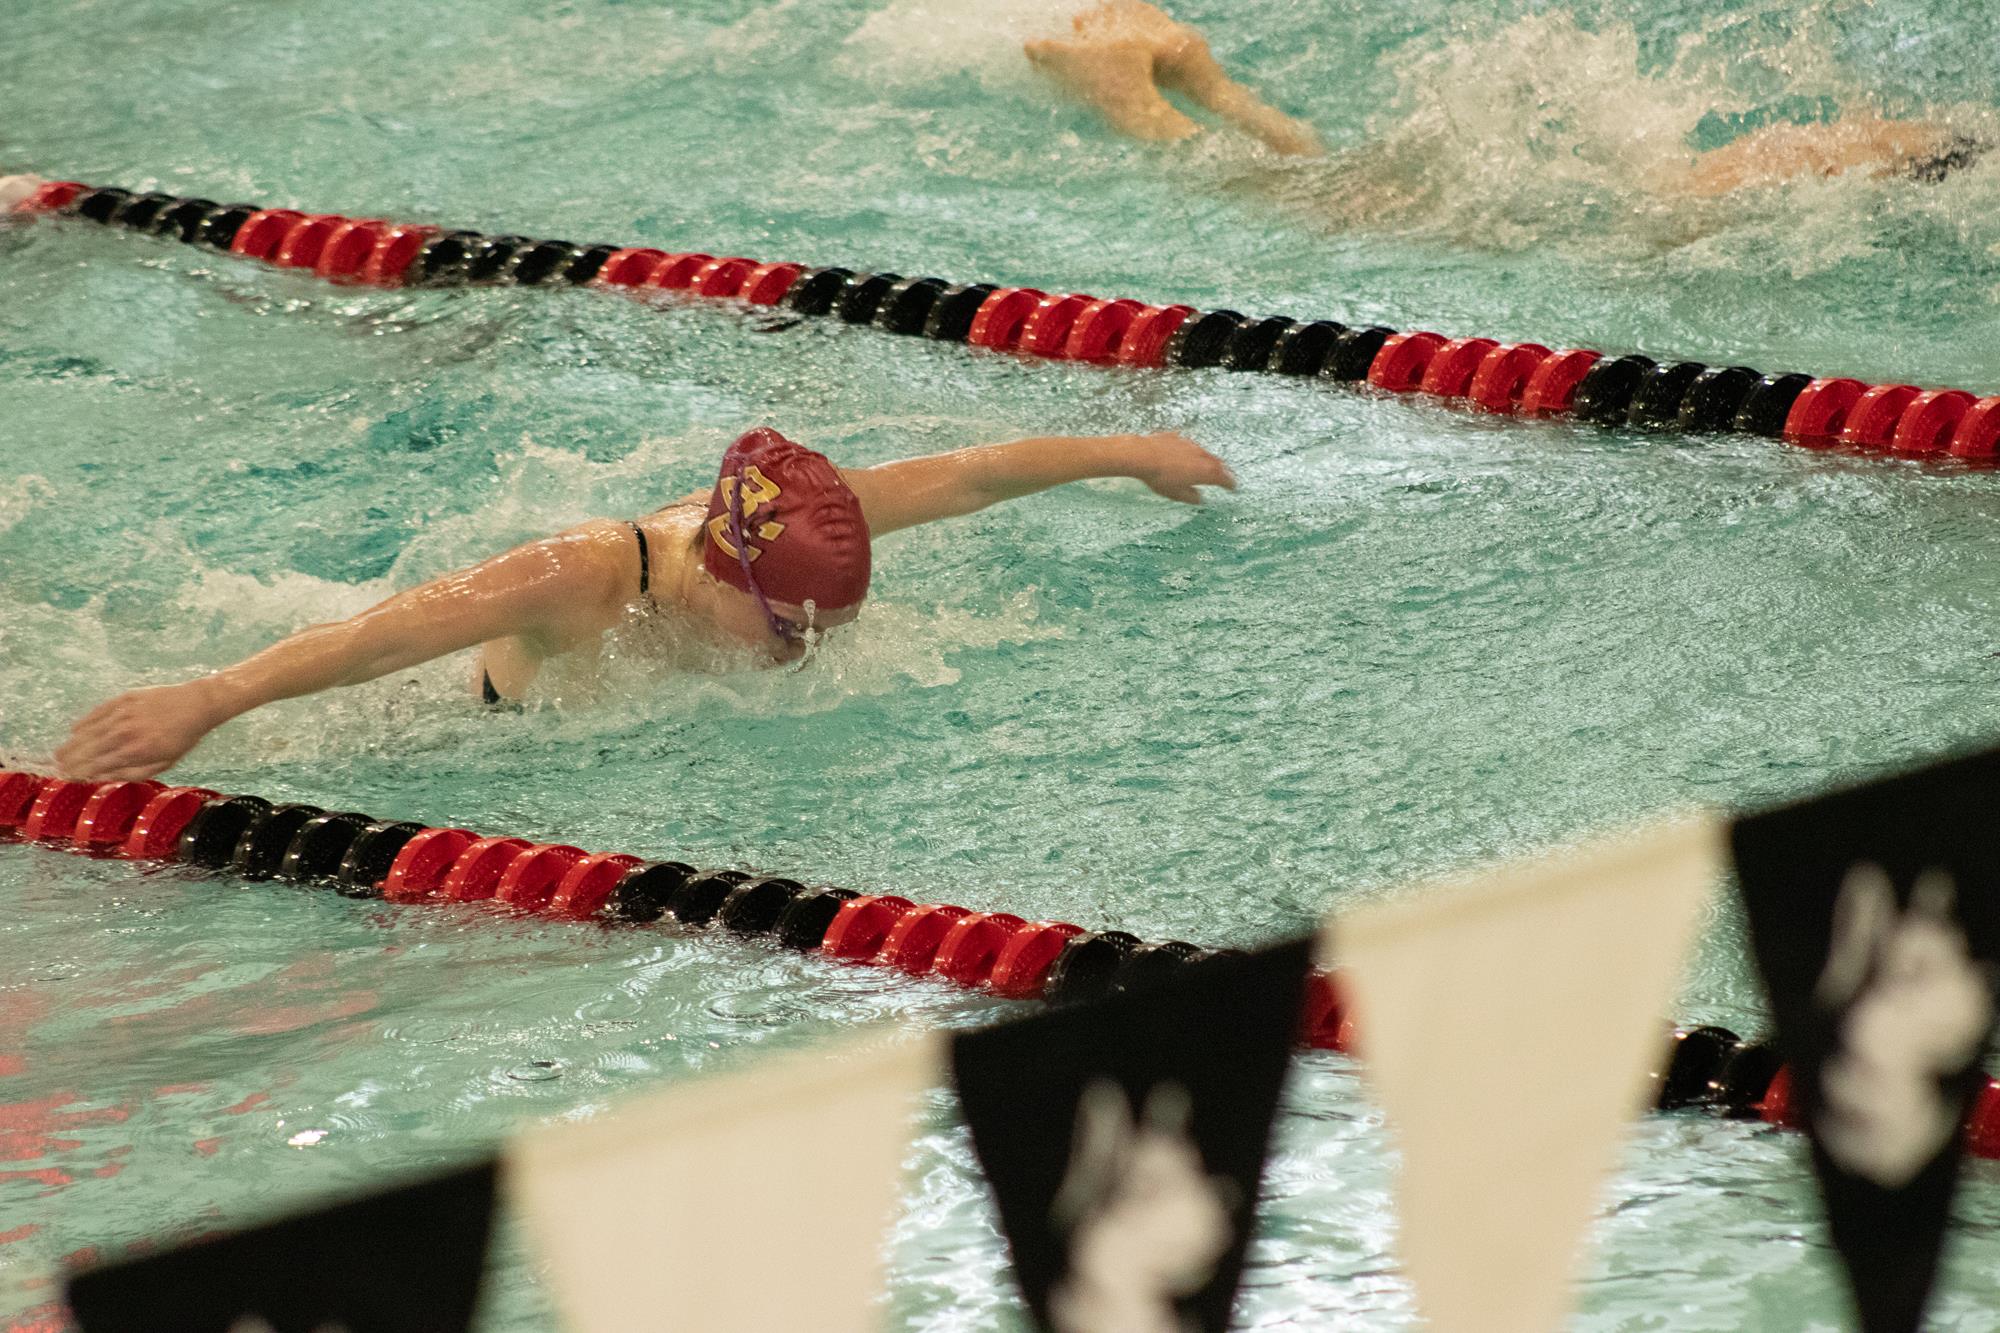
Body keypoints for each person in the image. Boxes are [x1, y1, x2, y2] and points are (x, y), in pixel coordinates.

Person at [53, 428, 1236, 781]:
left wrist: (1129, 450)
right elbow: (386, 636)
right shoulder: (580, 575)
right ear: (723, 576)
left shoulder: (795, 517)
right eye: (786, 630)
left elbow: (970, 475)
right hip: (444, 737)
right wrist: (208, 698)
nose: (806, 650)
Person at [1023, 0, 1986, 193]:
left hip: (1675, 188)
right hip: (1657, 202)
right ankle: (1141, 98)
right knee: (1347, 204)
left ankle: (1197, 78)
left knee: (1352, 185)